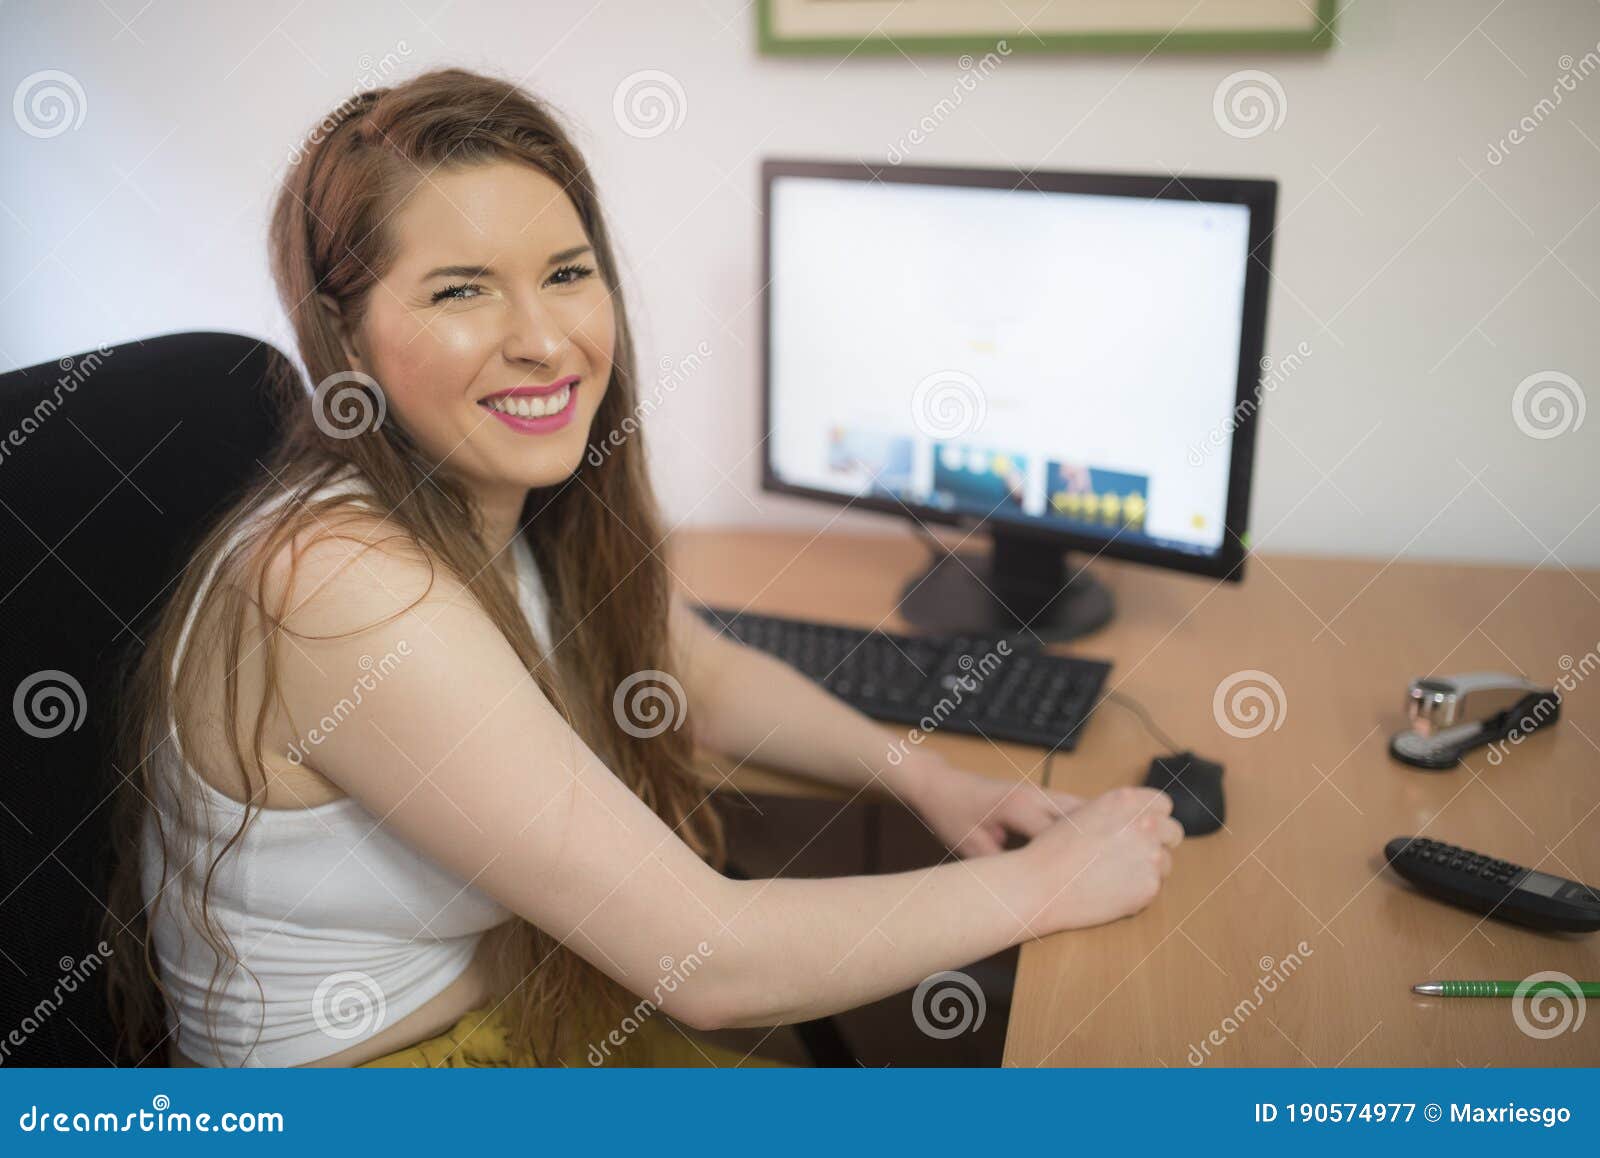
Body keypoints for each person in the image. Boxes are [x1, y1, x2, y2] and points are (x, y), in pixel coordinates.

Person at [101, 67, 1181, 1069]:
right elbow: (705, 961)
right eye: (460, 291)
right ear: (345, 339)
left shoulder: (497, 503)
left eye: (566, 275)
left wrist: (929, 780)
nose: (543, 339)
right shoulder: (341, 587)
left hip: (515, 1011)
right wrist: (1047, 883)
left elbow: (690, 672)